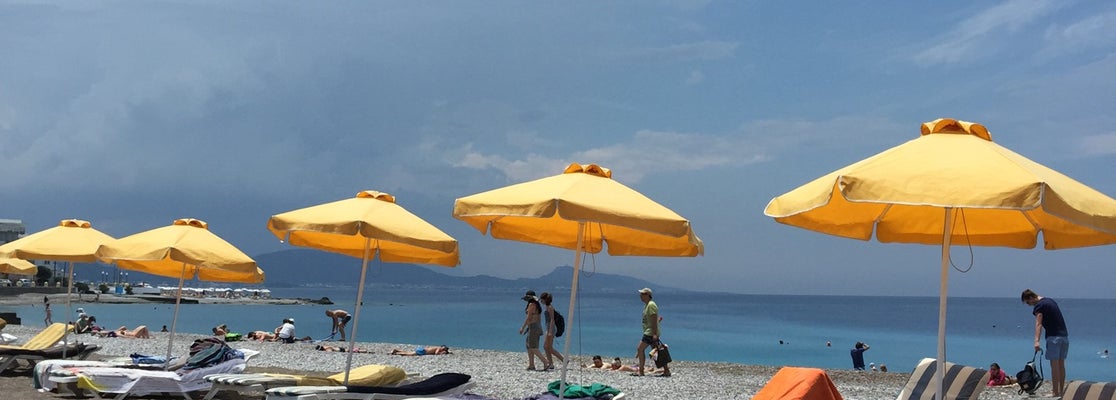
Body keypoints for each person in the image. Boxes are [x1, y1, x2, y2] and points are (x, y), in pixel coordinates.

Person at [1023, 289, 1069, 397]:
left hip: (1053, 337)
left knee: (1054, 366)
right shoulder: (1050, 301)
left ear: (1031, 298)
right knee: (1061, 365)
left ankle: (1055, 392)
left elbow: (1038, 324)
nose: (1030, 305)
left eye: (1028, 302)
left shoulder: (1039, 306)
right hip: (1064, 337)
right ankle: (1061, 391)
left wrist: (1036, 341)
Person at [635, 287, 669, 377]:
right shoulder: (647, 305)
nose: (640, 296)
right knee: (656, 352)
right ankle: (666, 370)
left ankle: (641, 371)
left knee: (640, 349)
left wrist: (654, 333)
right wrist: (658, 321)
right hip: (650, 331)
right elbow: (652, 319)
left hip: (650, 332)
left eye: (643, 294)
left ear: (648, 295)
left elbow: (653, 318)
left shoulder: (651, 305)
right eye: (641, 294)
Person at [517, 290, 546, 370]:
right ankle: (531, 364)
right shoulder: (536, 305)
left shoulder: (532, 305)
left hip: (534, 327)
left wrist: (522, 327)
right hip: (534, 327)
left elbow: (529, 318)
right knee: (529, 346)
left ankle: (545, 362)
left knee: (533, 347)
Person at [539, 292, 564, 370]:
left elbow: (552, 320)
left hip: (551, 328)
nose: (541, 301)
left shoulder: (550, 307)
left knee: (548, 347)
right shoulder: (547, 307)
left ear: (545, 299)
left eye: (541, 299)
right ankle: (551, 363)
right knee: (546, 347)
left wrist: (550, 331)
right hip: (548, 327)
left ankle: (563, 360)